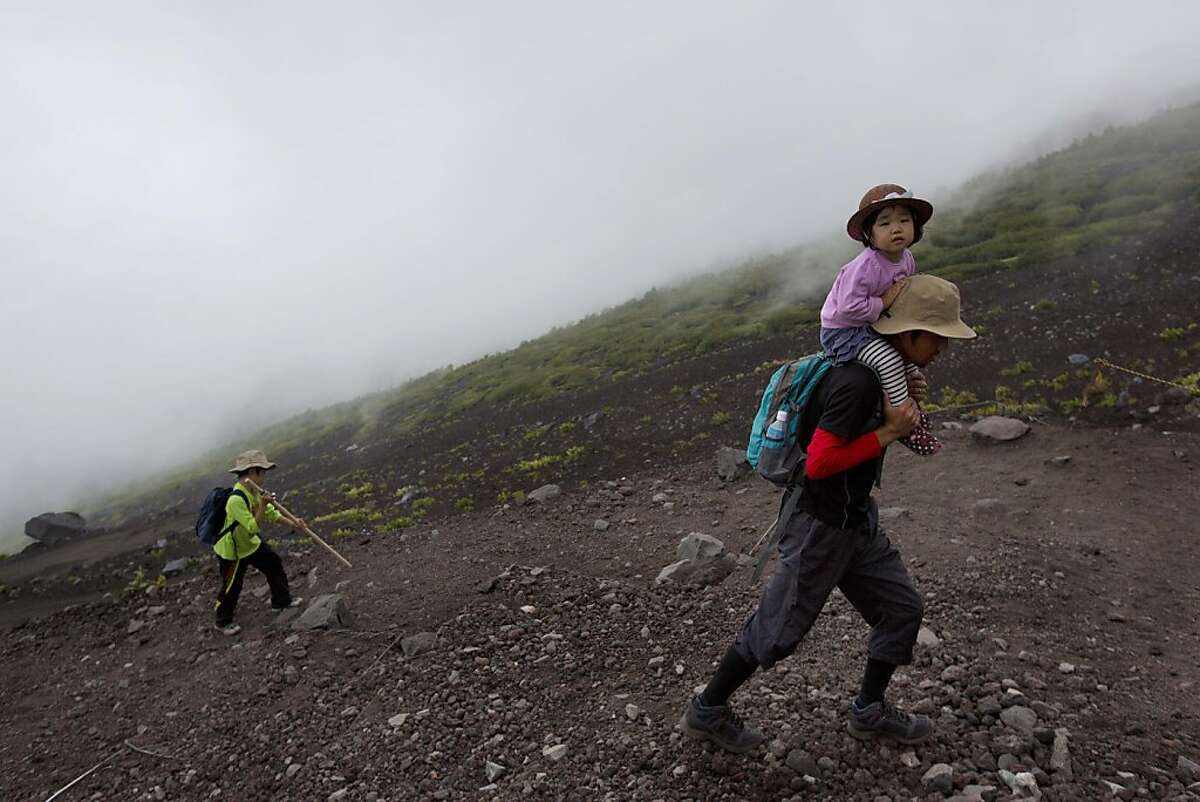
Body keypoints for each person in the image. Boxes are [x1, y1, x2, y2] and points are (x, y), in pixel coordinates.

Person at [681, 274, 977, 753]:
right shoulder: (856, 381)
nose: (944, 346)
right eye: (938, 335)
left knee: (901, 609)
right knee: (775, 633)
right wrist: (887, 432)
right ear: (907, 332)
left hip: (855, 520)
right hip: (819, 524)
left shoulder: (884, 373)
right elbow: (819, 464)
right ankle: (707, 709)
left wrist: (901, 417)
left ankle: (869, 711)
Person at [820, 184, 941, 455]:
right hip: (844, 331)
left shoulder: (906, 258)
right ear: (870, 234)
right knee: (888, 360)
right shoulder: (866, 266)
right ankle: (903, 424)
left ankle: (913, 412)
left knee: (908, 366)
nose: (896, 228)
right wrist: (884, 301)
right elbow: (849, 307)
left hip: (871, 322)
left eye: (904, 220)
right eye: (884, 223)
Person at [213, 450, 307, 636]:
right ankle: (222, 621)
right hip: (233, 550)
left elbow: (272, 513)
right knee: (232, 585)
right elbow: (252, 527)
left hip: (250, 543)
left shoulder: (254, 491)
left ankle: (281, 601)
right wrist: (262, 505)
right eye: (262, 471)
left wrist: (294, 523)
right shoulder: (235, 500)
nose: (265, 475)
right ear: (252, 472)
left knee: (273, 563)